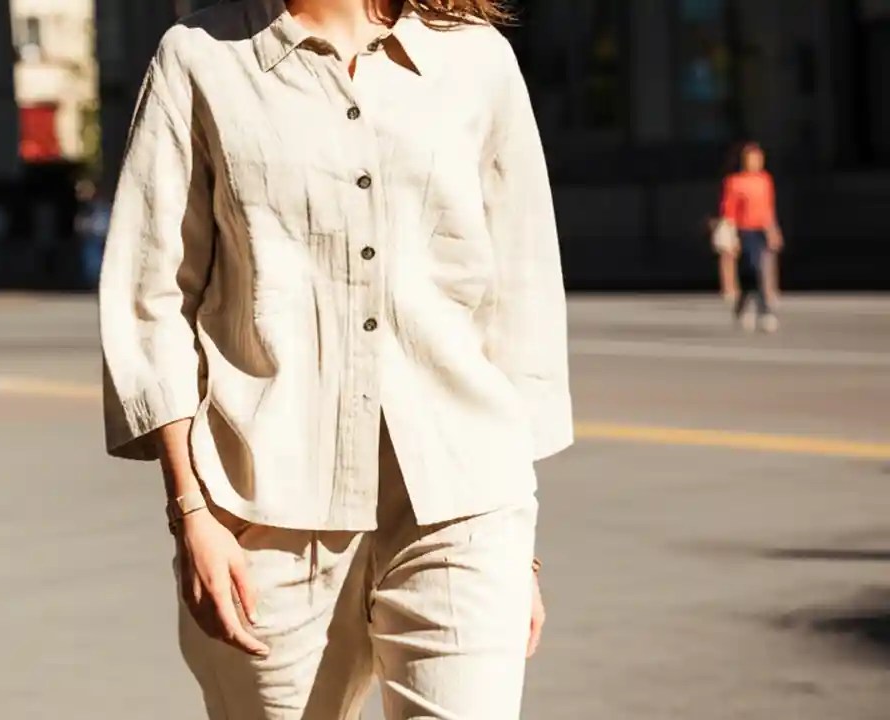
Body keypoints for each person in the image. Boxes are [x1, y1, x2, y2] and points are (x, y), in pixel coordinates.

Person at [98, 1, 572, 718]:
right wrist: (191, 511)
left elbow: (521, 296)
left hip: (463, 501)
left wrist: (518, 551)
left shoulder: (477, 61)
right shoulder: (201, 57)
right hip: (264, 512)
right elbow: (152, 295)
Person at [720, 141, 783, 333]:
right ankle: (764, 311)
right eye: (752, 159)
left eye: (758, 159)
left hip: (761, 230)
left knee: (755, 271)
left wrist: (773, 230)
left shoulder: (765, 180)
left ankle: (745, 307)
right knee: (753, 268)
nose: (756, 163)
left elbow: (768, 208)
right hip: (744, 231)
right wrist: (730, 235)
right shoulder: (734, 182)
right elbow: (729, 210)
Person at [73, 179, 111, 289]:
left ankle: (97, 283)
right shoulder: (85, 207)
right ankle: (94, 283)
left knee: (95, 262)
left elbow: (102, 221)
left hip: (98, 236)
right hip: (91, 237)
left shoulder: (99, 206)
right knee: (90, 262)